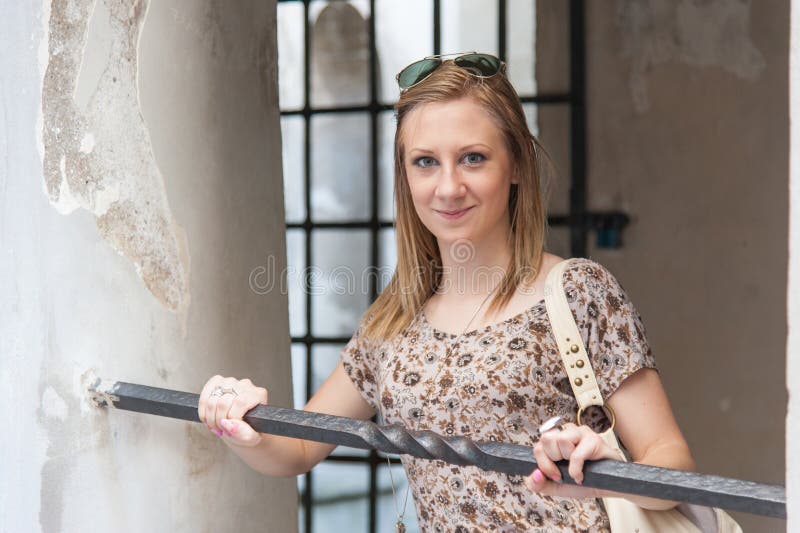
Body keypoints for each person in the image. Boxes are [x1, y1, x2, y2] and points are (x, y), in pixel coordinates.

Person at [198, 52, 696, 532]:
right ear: (405, 176)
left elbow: (673, 468)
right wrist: (237, 421)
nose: (448, 186)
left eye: (473, 158)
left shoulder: (577, 291)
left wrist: (608, 468)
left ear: (517, 164)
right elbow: (300, 447)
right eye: (425, 162)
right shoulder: (394, 321)